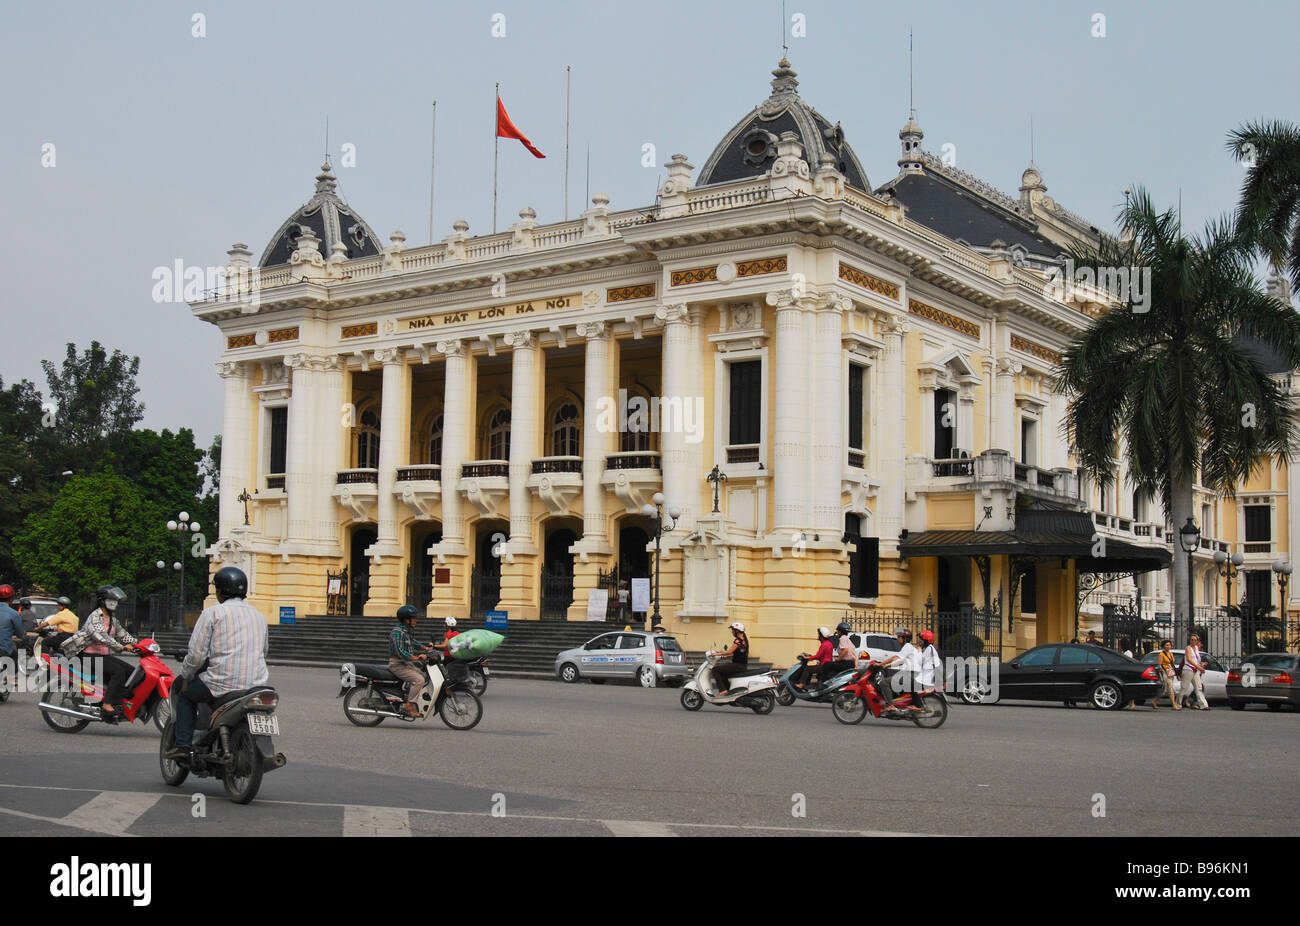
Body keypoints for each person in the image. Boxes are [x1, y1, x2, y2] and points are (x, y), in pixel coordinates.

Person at [163, 567, 269, 759]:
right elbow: (264, 651)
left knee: (186, 695)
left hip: (222, 682)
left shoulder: (213, 613)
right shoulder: (259, 616)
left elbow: (196, 654)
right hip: (256, 685)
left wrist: (186, 675)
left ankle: (183, 745)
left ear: (220, 591)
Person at [61, 586, 138, 721]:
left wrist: (139, 644)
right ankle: (107, 703)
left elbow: (122, 634)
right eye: (111, 600)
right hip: (88, 656)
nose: (114, 603)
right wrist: (122, 647)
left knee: (131, 671)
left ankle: (118, 700)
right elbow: (101, 637)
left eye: (115, 600)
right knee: (118, 671)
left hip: (102, 656)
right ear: (102, 601)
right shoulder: (95, 617)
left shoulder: (112, 619)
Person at [388, 605, 432, 717]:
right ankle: (408, 705)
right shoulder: (397, 632)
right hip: (397, 664)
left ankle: (408, 696)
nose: (416, 620)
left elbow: (413, 642)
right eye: (414, 618)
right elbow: (400, 651)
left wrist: (426, 648)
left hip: (405, 663)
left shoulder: (406, 631)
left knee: (424, 675)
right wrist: (417, 658)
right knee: (419, 680)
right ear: (406, 619)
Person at [878, 627, 920, 710]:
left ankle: (890, 705)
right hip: (911, 673)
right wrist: (888, 666)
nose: (897, 639)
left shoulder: (907, 647)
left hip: (910, 674)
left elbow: (896, 657)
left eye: (899, 637)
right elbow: (900, 660)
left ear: (904, 639)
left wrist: (881, 663)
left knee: (884, 683)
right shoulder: (908, 647)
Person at [711, 622, 749, 697]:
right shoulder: (744, 640)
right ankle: (728, 691)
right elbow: (735, 653)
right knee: (723, 672)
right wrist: (724, 656)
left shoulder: (738, 641)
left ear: (737, 631)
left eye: (732, 630)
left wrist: (717, 654)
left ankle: (723, 690)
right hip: (742, 666)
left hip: (738, 666)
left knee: (715, 669)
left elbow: (729, 651)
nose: (732, 632)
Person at [0, 585, 24, 697]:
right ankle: (10, 678)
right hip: (3, 649)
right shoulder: (14, 614)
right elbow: (20, 634)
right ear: (11, 599)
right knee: (15, 654)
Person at [1179, 634, 1210, 711]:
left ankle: (1204, 705)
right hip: (1188, 669)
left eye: (1195, 640)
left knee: (1199, 687)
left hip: (1195, 670)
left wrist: (1201, 664)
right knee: (1184, 687)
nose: (1193, 641)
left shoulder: (1196, 648)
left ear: (1197, 641)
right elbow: (1189, 659)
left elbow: (1196, 660)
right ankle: (1178, 703)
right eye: (1191, 640)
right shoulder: (1188, 648)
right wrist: (1199, 667)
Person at [1153, 639, 1182, 711]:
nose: (1168, 646)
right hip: (1165, 673)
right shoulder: (1161, 654)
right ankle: (1174, 705)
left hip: (1170, 672)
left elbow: (1172, 664)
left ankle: (1155, 701)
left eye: (1169, 645)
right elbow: (1159, 665)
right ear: (1163, 646)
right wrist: (1164, 671)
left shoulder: (1171, 654)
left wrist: (1176, 673)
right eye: (1166, 645)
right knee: (1171, 688)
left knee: (1165, 690)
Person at [916, 630, 943, 699]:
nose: (919, 641)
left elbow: (920, 661)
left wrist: (919, 650)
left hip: (927, 676)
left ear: (926, 640)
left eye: (921, 639)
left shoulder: (929, 649)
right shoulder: (930, 648)